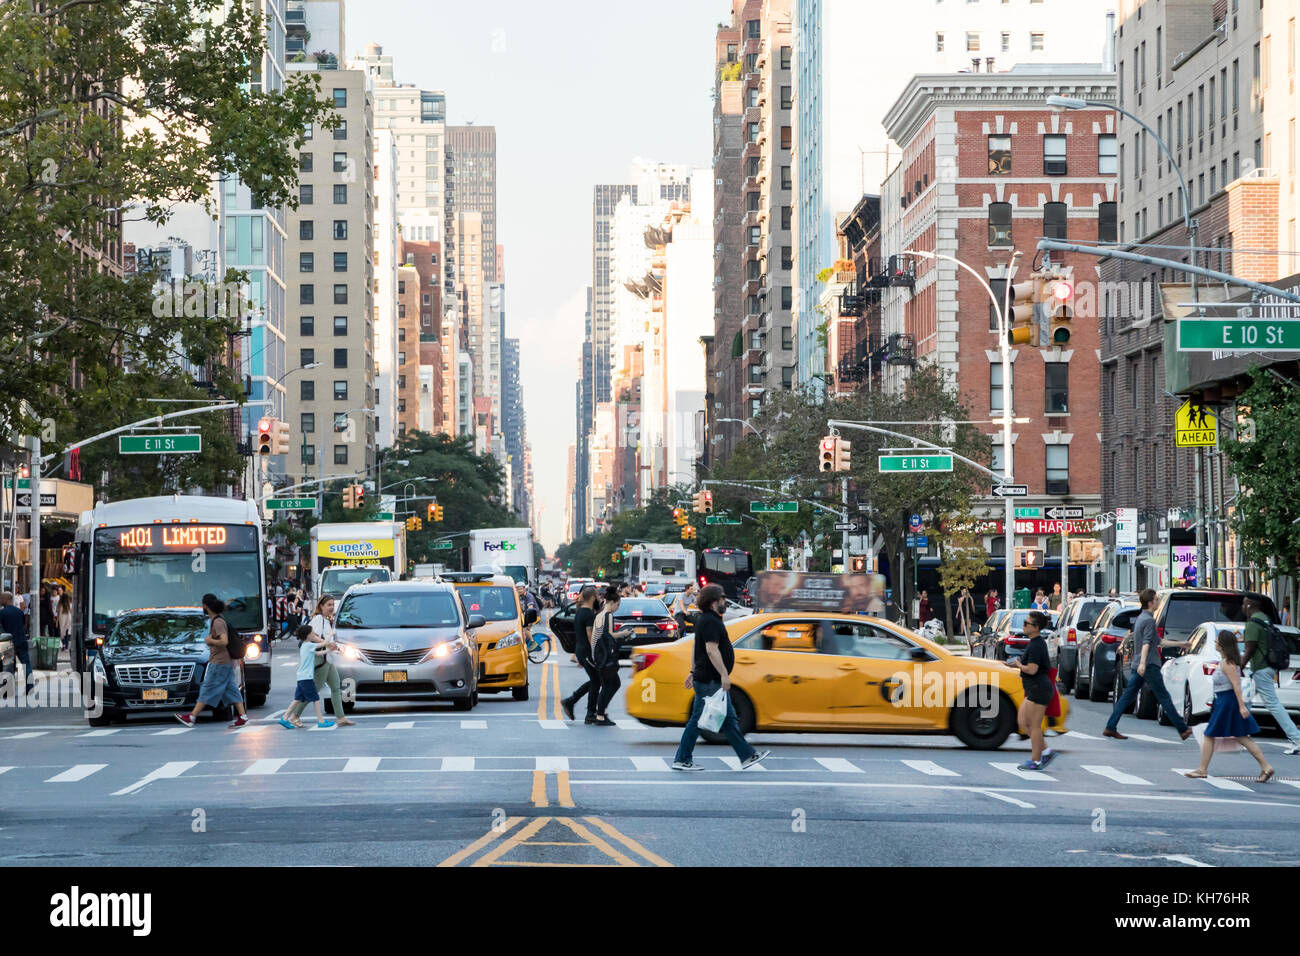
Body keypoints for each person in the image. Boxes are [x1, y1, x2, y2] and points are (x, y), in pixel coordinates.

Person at [671, 584, 770, 772]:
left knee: (729, 719)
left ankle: (747, 755)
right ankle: (682, 759)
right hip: (710, 680)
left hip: (706, 678)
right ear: (714, 602)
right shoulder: (710, 621)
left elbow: (696, 649)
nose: (726, 601)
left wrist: (692, 672)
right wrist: (724, 674)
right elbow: (710, 649)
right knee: (699, 720)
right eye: (723, 598)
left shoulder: (708, 620)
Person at [1184, 630, 1275, 783]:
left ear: (1223, 644)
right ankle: (1266, 767)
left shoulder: (1228, 664)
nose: (1215, 643)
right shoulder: (1226, 661)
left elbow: (1236, 685)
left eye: (1217, 641)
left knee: (1210, 734)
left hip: (1227, 702)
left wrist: (1241, 706)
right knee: (1241, 737)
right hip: (1224, 701)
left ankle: (1202, 769)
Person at [1103, 588, 1193, 741]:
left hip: (1138, 664)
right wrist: (1144, 664)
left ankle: (1110, 727)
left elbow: (1157, 642)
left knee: (1126, 697)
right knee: (1164, 696)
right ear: (1151, 603)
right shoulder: (1149, 620)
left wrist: (1181, 643)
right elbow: (1146, 644)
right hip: (1148, 665)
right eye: (1157, 599)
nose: (1158, 602)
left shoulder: (1141, 618)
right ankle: (1183, 729)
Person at [176, 594, 249, 728]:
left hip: (219, 662)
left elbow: (224, 641)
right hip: (224, 661)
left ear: (205, 605)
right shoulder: (217, 620)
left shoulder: (217, 622)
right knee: (231, 689)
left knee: (207, 688)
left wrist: (210, 641)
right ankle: (242, 716)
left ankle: (192, 717)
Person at [1241, 595, 1300, 754]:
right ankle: (1239, 736)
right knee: (1244, 701)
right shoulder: (1265, 619)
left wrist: (1239, 667)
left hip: (1260, 669)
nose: (1242, 606)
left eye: (1244, 603)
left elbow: (1249, 649)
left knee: (1272, 704)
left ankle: (1297, 738)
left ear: (1249, 605)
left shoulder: (1253, 623)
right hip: (1264, 669)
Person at [1004, 611, 1056, 770]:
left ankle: (1036, 761)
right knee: (1022, 722)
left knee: (1034, 726)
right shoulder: (1034, 643)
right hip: (1034, 689)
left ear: (1036, 627)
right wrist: (1015, 664)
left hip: (1039, 688)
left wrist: (1019, 665)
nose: (1023, 625)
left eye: (1027, 623)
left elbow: (1032, 670)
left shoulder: (1036, 645)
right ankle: (1046, 750)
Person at [305, 595, 354, 726]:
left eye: (333, 605)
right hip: (321, 659)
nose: (332, 607)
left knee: (336, 687)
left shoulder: (326, 620)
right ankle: (294, 715)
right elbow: (311, 635)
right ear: (321, 606)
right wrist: (326, 644)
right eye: (328, 605)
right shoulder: (318, 619)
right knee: (313, 690)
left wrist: (334, 646)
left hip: (328, 659)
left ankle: (341, 717)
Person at [279, 623, 335, 729]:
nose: (314, 634)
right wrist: (330, 634)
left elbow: (318, 653)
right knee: (316, 699)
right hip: (306, 678)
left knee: (297, 699)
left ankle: (284, 718)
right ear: (308, 635)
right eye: (312, 633)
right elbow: (324, 643)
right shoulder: (309, 645)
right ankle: (321, 721)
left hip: (302, 677)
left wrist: (329, 651)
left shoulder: (305, 646)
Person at [560, 585, 601, 723]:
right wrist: (595, 654)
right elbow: (590, 636)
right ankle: (585, 710)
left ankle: (576, 705)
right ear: (593, 598)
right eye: (598, 596)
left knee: (596, 680)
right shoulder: (588, 614)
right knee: (597, 681)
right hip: (587, 652)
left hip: (581, 651)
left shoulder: (580, 612)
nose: (599, 599)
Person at [588, 585, 624, 726]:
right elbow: (610, 635)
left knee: (609, 684)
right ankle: (600, 715)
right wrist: (624, 633)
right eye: (618, 605)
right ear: (612, 603)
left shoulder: (599, 614)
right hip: (604, 657)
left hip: (597, 655)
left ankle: (600, 713)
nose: (618, 607)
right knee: (613, 684)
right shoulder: (608, 615)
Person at [0, 591, 33, 696]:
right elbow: (23, 625)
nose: (0, 600)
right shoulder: (19, 612)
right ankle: (30, 687)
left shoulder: (2, 613)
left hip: (8, 643)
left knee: (8, 666)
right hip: (21, 641)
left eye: (1, 599)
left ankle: (7, 690)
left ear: (6, 600)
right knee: (26, 664)